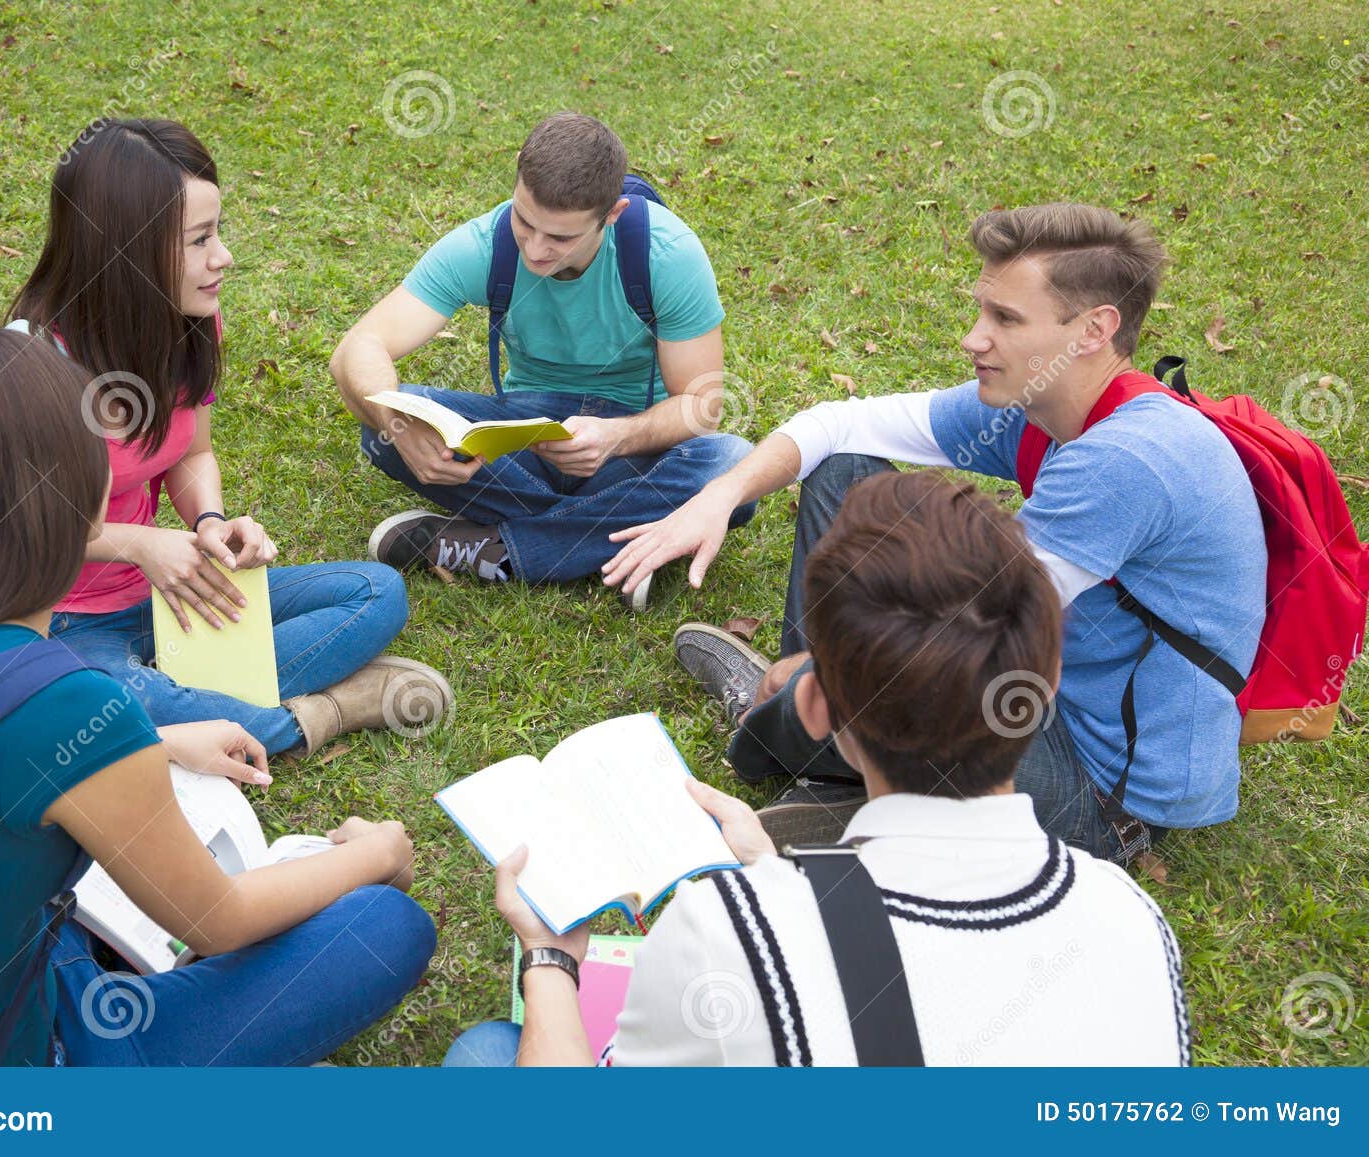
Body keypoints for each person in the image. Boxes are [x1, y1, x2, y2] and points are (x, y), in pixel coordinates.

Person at [0, 327, 434, 1066]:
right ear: (76, 497)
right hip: (27, 1058)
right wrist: (375, 854)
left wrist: (160, 742)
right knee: (386, 924)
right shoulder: (69, 705)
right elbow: (221, 917)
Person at [449, 471, 1189, 1066]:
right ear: (1046, 681)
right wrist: (778, 871)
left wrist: (548, 957)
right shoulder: (1133, 918)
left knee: (487, 1055)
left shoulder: (732, 934)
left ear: (812, 707)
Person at [603, 203, 1265, 862]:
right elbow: (839, 425)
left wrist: (813, 669)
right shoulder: (1044, 402)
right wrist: (719, 495)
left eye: (1005, 319)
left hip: (1100, 789)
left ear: (1093, 329)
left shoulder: (1126, 460)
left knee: (922, 658)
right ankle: (831, 758)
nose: (973, 338)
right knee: (844, 471)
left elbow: (967, 632)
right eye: (982, 310)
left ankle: (805, 738)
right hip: (1039, 697)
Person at [8, 117, 452, 757]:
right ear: (126, 249)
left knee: (376, 593)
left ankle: (194, 707)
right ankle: (316, 713)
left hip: (170, 590)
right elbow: (17, 527)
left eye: (217, 232)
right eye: (198, 241)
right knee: (103, 712)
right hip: (62, 621)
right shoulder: (34, 366)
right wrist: (140, 544)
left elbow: (191, 452)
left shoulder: (190, 322)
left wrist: (210, 521)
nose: (223, 257)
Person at [330, 111, 756, 611]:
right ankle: (628, 539)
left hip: (633, 451)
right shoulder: (483, 244)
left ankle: (500, 549)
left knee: (733, 465)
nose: (535, 249)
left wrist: (616, 438)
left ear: (612, 213)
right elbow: (356, 349)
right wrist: (396, 421)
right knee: (384, 428)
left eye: (560, 238)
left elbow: (703, 405)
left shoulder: (667, 253)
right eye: (524, 221)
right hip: (527, 436)